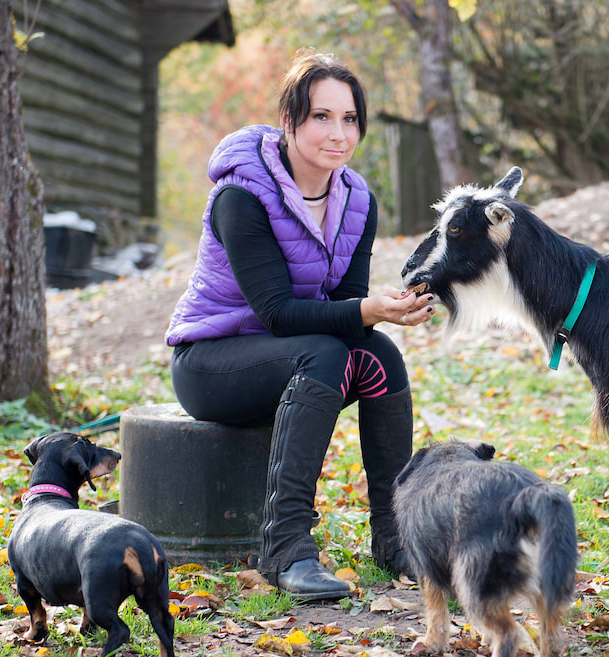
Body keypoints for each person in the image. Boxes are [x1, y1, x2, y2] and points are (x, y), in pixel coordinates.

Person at [164, 51, 433, 600]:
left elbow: (345, 308)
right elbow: (278, 313)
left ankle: (396, 536)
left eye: (350, 119)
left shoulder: (357, 199)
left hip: (293, 358)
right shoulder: (241, 196)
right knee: (327, 354)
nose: (339, 134)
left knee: (381, 356)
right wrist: (364, 312)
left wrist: (392, 309)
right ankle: (285, 549)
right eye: (321, 117)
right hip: (212, 363)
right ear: (288, 122)